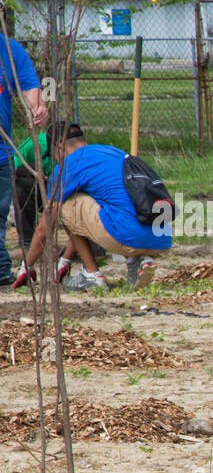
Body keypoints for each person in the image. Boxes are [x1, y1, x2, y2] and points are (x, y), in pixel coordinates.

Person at [13, 122, 171, 291]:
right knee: (113, 205)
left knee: (65, 204)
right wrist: (65, 261)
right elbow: (83, 226)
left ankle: (92, 275)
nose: (56, 161)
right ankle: (136, 261)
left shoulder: (68, 166)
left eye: (53, 156)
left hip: (128, 236)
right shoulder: (111, 151)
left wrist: (27, 267)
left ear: (59, 147)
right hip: (161, 237)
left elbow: (45, 229)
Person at [0, 31, 48, 285]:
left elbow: (31, 90)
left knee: (0, 211)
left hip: (1, 149)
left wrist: (38, 108)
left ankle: (0, 269)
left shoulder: (10, 50)